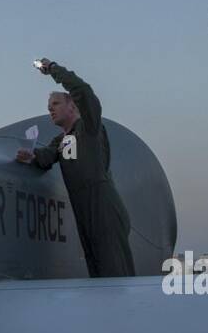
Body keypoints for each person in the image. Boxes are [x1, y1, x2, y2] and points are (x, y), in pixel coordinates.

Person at [16, 58, 136, 277]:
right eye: (48, 107)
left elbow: (83, 90)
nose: (50, 110)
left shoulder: (89, 127)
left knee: (115, 273)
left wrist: (52, 69)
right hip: (82, 207)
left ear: (73, 106)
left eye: (55, 104)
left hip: (102, 205)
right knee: (97, 270)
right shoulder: (62, 140)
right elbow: (46, 157)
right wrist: (30, 156)